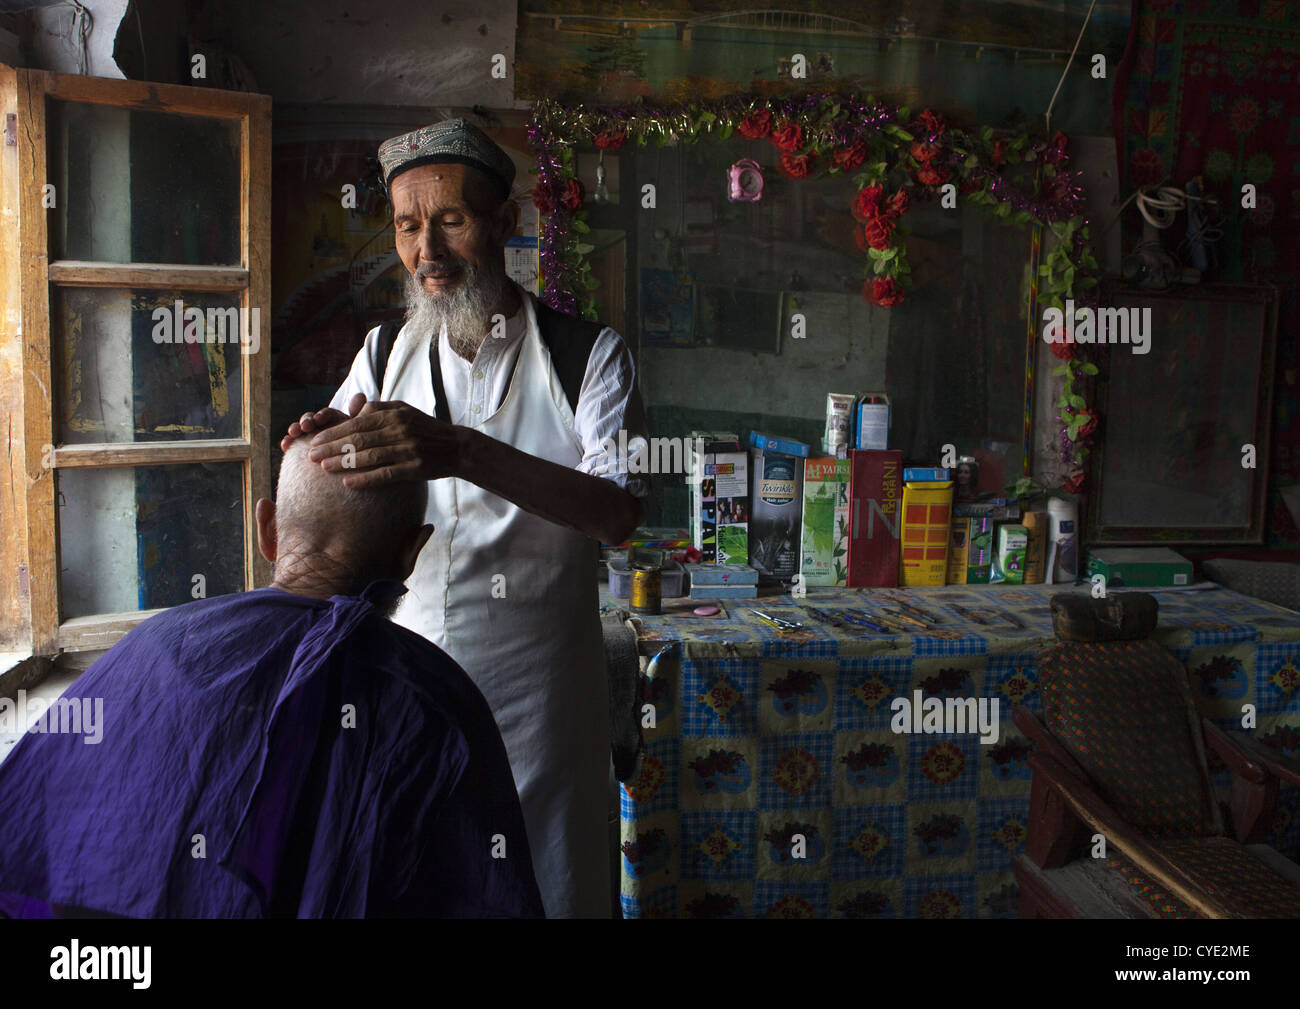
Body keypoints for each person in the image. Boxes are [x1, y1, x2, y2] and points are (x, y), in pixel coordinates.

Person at [283, 118, 649, 918]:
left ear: (505, 222)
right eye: (409, 227)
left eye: (451, 219)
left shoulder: (589, 357)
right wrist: (313, 448)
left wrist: (462, 450)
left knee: (548, 889)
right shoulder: (383, 356)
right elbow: (322, 492)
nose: (429, 253)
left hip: (543, 699)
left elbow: (618, 514)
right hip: (409, 694)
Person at [0, 435, 543, 919]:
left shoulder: (157, 648)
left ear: (266, 528)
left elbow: (33, 831)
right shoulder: (440, 701)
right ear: (411, 553)